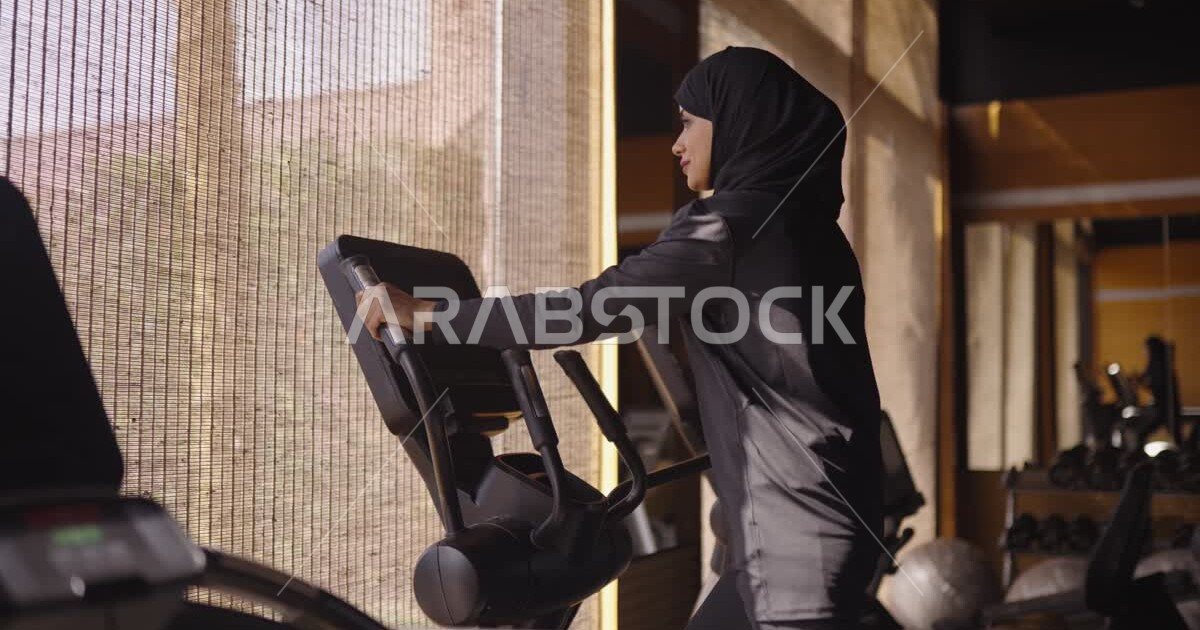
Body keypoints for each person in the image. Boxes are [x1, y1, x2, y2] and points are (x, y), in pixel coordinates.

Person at [359, 47, 883, 630]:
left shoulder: (726, 228)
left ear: (738, 121)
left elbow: (584, 310)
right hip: (829, 525)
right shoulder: (817, 237)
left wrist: (425, 314)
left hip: (791, 541)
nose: (676, 144)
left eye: (688, 123)